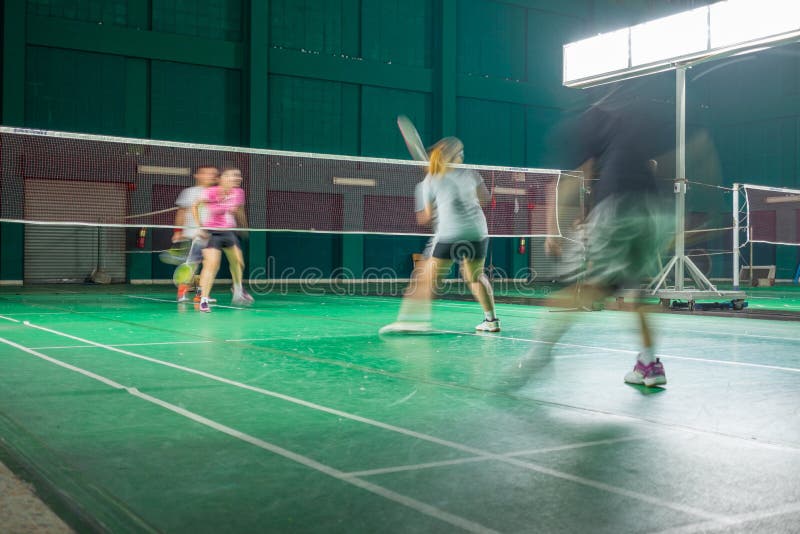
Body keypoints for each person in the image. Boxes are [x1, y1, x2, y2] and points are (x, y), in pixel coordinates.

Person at [505, 89, 671, 389]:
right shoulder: (637, 118)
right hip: (653, 213)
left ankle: (539, 354)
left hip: (618, 209)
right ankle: (649, 364)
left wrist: (552, 230)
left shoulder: (589, 120)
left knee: (589, 287)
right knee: (636, 292)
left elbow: (573, 178)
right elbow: (649, 167)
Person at [380, 137, 500, 333]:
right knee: (475, 276)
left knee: (425, 277)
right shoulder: (471, 174)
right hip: (477, 233)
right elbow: (485, 199)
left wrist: (436, 205)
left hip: (451, 234)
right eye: (460, 152)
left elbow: (425, 218)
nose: (462, 155)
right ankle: (491, 320)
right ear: (454, 156)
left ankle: (413, 321)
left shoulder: (428, 181)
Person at [192, 167, 253, 312]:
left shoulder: (238, 193)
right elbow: (195, 206)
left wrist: (243, 226)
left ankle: (237, 290)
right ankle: (203, 300)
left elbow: (239, 210)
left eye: (238, 176)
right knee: (212, 265)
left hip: (229, 232)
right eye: (232, 176)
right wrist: (199, 227)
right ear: (222, 178)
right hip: (212, 232)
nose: (237, 178)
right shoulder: (210, 192)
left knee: (238, 263)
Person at [173, 165, 218, 302]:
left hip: (211, 235)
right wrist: (178, 231)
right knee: (191, 266)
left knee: (210, 266)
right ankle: (182, 293)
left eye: (213, 173)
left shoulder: (217, 192)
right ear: (197, 175)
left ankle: (201, 294)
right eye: (206, 173)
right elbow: (181, 212)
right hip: (193, 235)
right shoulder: (189, 192)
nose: (210, 176)